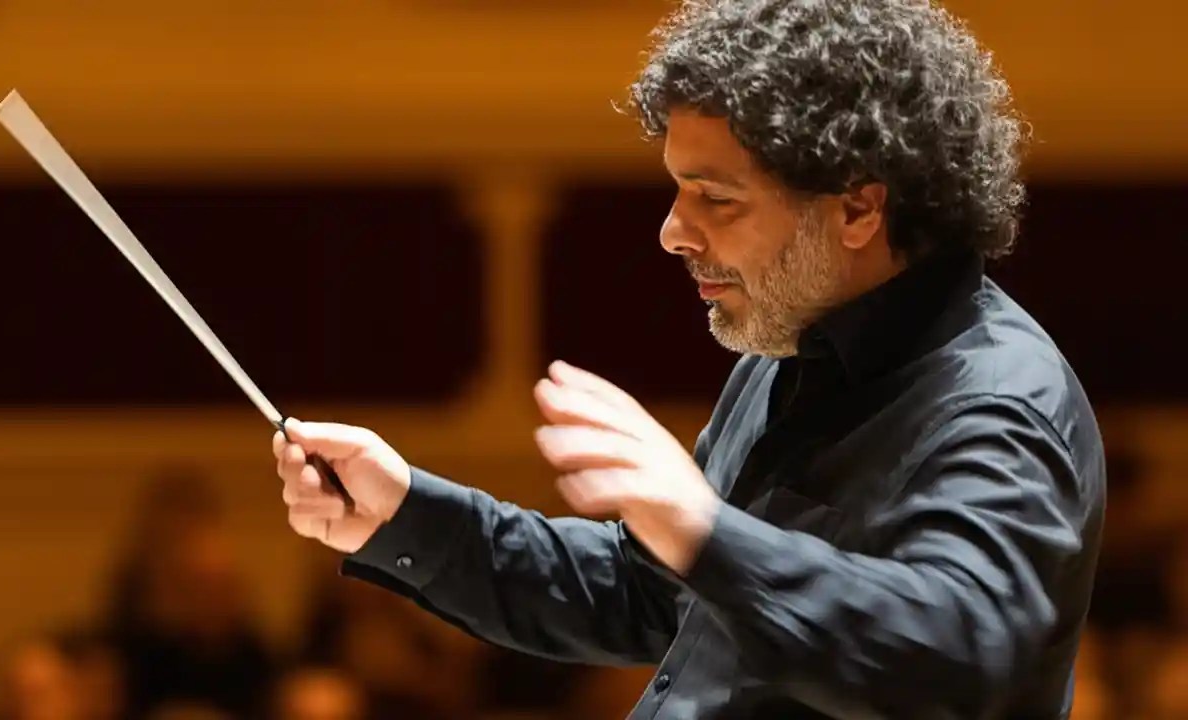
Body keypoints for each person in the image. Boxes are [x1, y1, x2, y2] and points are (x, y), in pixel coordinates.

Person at [272, 1, 1106, 717]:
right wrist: (403, 512)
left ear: (858, 208)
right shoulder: (790, 349)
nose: (673, 231)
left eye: (716, 197)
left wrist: (704, 530)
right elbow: (654, 591)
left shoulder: (996, 404)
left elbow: (964, 660)